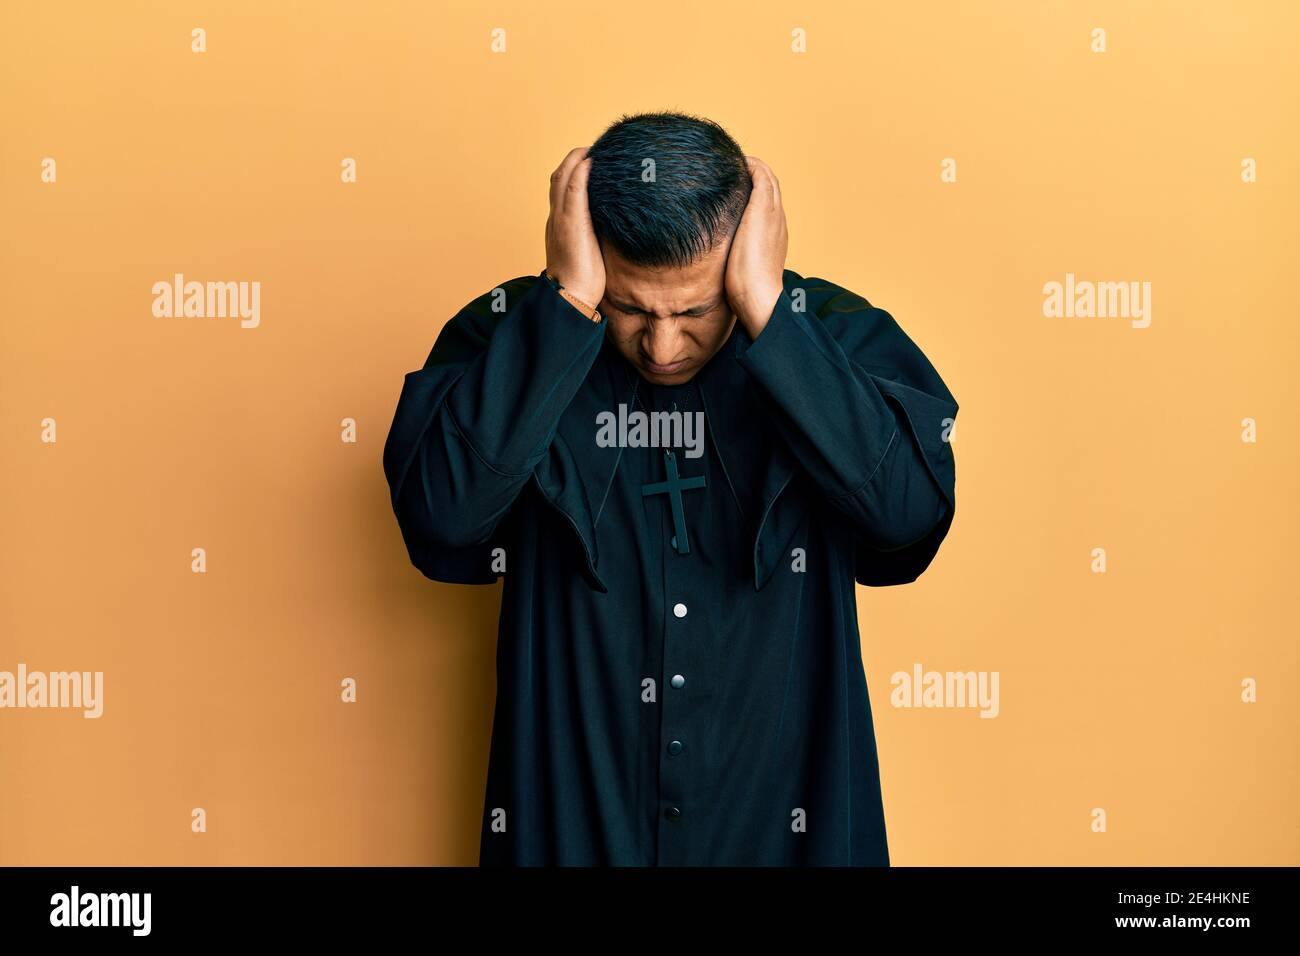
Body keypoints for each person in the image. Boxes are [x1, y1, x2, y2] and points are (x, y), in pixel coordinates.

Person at [382, 111, 959, 865]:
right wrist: (567, 304)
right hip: (575, 821)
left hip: (781, 821)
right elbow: (441, 516)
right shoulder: (512, 336)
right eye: (629, 308)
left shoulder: (833, 335)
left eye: (695, 311)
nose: (661, 346)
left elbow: (908, 514)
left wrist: (767, 309)